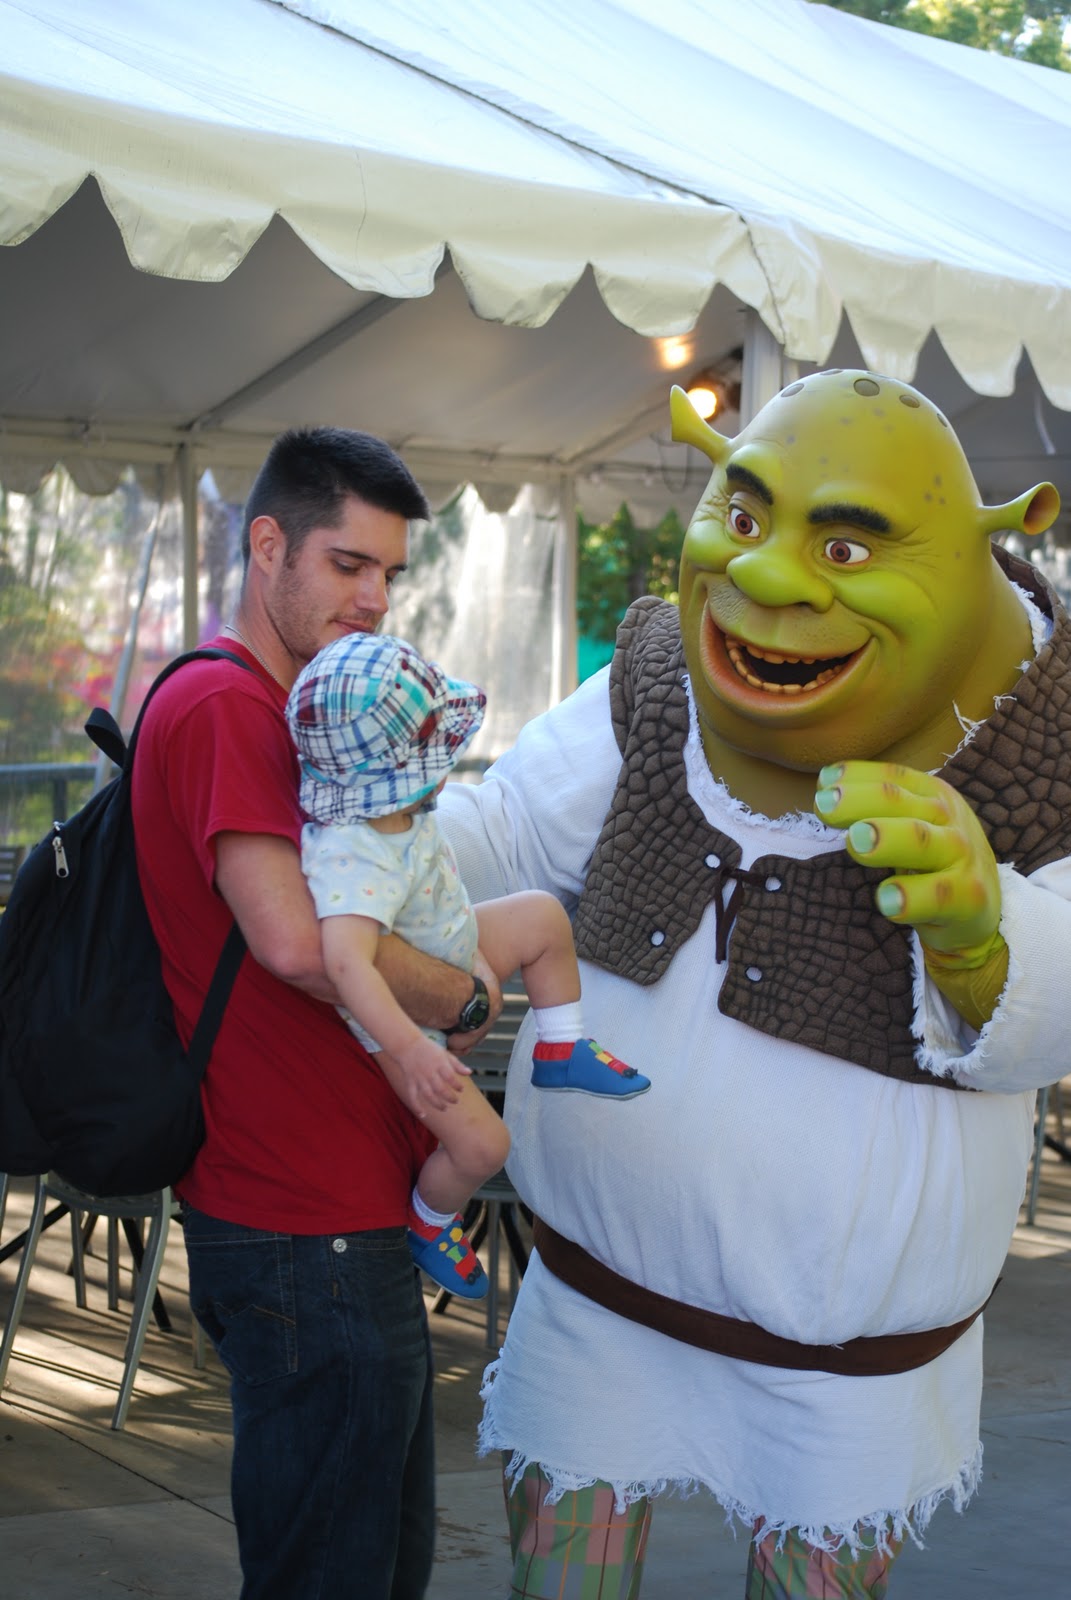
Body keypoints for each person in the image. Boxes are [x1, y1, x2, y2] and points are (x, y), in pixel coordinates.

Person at [437, 370, 1067, 1599]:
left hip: (848, 1377)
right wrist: (380, 858)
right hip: (595, 1309)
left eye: (843, 544)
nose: (770, 578)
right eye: (743, 518)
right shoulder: (662, 681)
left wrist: (987, 936)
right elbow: (506, 829)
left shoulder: (1043, 743)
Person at [131, 426, 497, 1600]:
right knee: (332, 1573)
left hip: (336, 1215)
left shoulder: (306, 713)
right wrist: (469, 992)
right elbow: (297, 944)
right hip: (300, 1223)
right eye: (348, 564)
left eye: (389, 573)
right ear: (269, 544)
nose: (376, 597)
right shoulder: (229, 709)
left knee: (376, 1565)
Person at [284, 631, 651, 1302]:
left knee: (541, 915)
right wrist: (410, 1051)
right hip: (398, 1029)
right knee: (486, 1147)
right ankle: (429, 1221)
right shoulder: (352, 857)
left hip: (456, 941)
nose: (444, 768)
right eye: (432, 756)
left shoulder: (402, 812)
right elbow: (347, 965)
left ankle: (562, 1045)